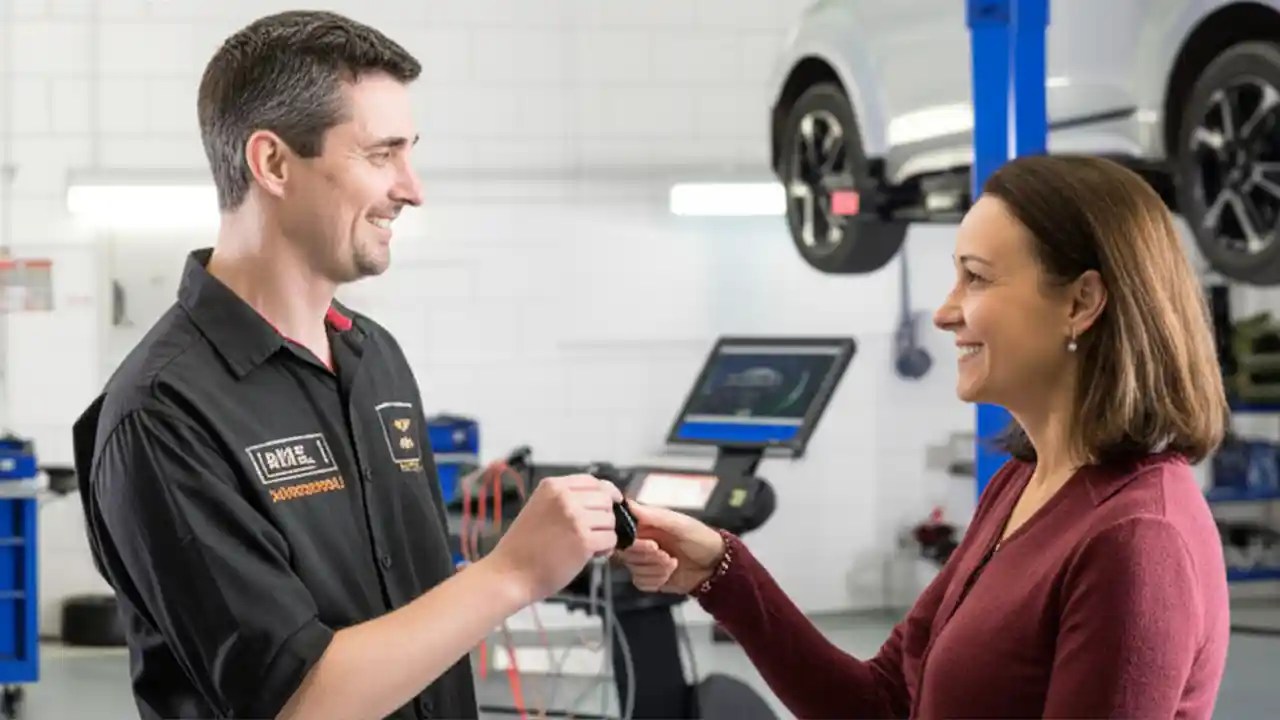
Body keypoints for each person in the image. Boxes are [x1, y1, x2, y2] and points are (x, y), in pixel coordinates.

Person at [70, 11, 622, 720]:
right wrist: (512, 574)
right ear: (272, 163)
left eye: (409, 152)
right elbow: (297, 703)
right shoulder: (161, 413)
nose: (412, 187)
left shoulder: (374, 358)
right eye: (380, 154)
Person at [618, 155, 1233, 719]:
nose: (944, 311)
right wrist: (719, 571)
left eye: (977, 278)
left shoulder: (1137, 540)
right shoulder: (1022, 485)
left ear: (1082, 301)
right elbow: (884, 702)